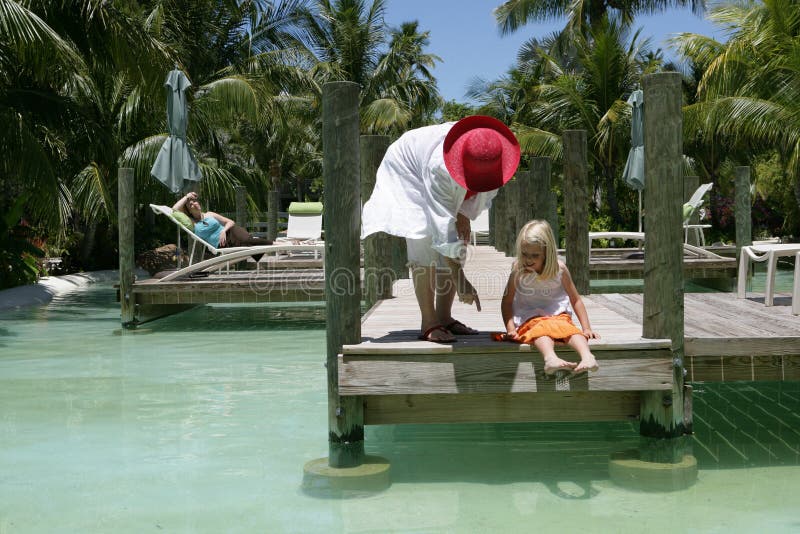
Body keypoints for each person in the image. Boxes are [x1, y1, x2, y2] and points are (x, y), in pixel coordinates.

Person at [362, 115, 520, 343]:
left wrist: (463, 214)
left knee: (460, 239)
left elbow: (477, 202)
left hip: (446, 173)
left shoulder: (495, 158)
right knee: (423, 240)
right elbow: (443, 233)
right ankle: (429, 321)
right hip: (409, 169)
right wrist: (461, 279)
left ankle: (445, 317)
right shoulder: (440, 169)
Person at [499, 219, 599, 374]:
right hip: (529, 317)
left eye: (535, 255)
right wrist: (511, 329)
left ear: (547, 253)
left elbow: (576, 299)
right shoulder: (518, 270)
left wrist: (586, 328)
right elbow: (507, 302)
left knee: (571, 330)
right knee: (541, 330)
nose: (529, 260)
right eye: (524, 254)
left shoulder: (559, 270)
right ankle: (550, 358)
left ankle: (587, 357)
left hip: (558, 315)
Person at [172, 191, 272, 248]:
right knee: (247, 244)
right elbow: (174, 210)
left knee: (246, 241)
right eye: (191, 204)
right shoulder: (192, 223)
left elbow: (230, 222)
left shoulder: (209, 214)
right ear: (189, 211)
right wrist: (187, 197)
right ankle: (274, 243)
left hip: (230, 231)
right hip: (223, 244)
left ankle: (274, 244)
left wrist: (224, 230)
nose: (194, 204)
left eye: (195, 201)